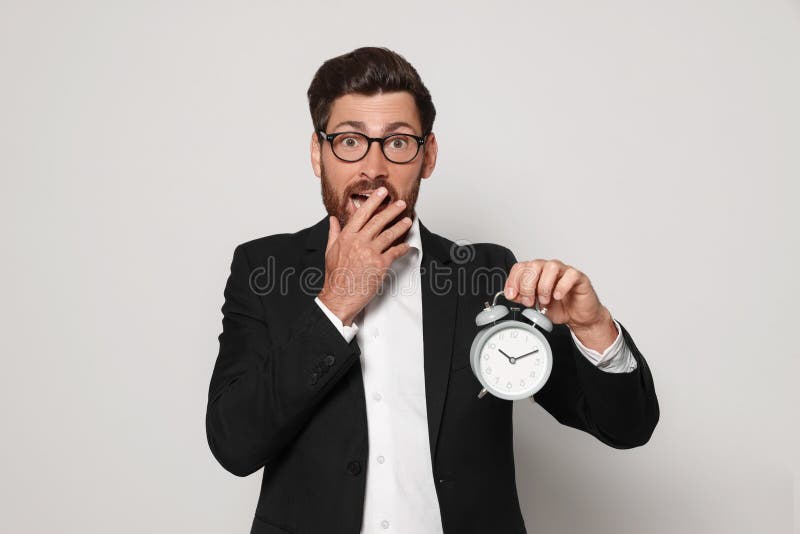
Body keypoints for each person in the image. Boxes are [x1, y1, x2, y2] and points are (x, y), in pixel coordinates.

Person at [206, 46, 659, 534]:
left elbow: (626, 427)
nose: (374, 167)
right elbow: (234, 445)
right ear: (318, 153)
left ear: (428, 156)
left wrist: (594, 327)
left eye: (398, 142)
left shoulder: (489, 275)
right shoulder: (263, 268)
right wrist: (336, 303)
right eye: (350, 141)